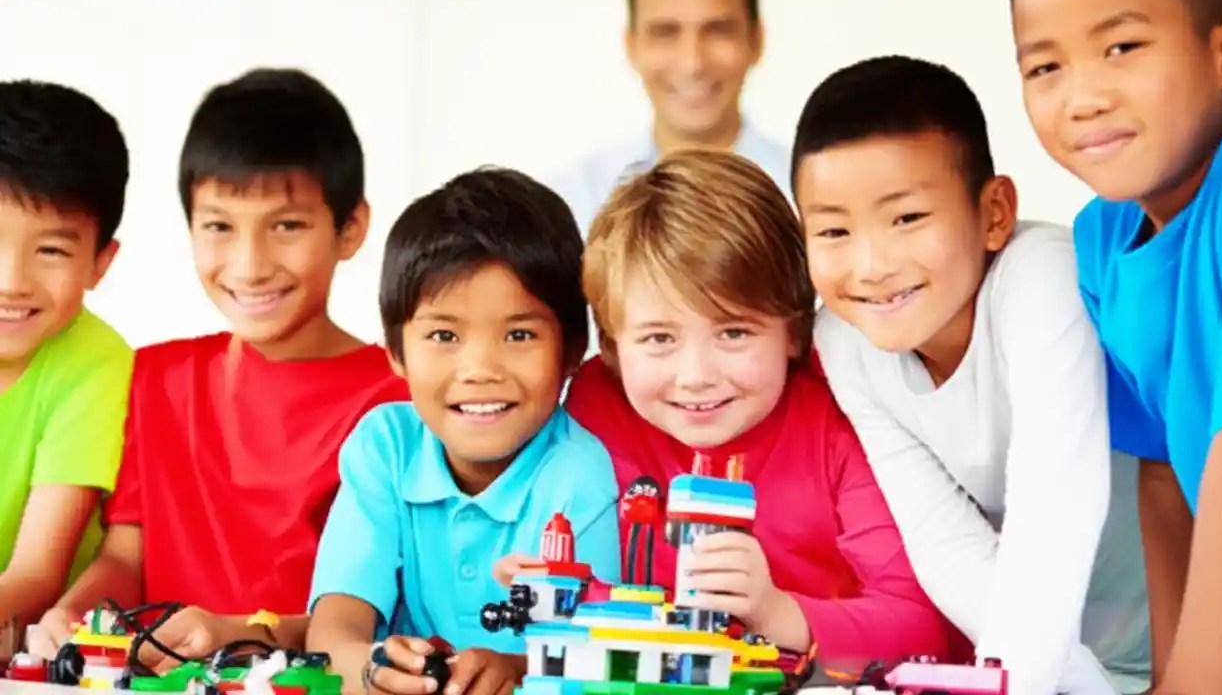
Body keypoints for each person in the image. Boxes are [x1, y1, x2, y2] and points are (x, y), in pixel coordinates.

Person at [793, 55, 1151, 694]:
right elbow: (944, 542)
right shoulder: (842, 339)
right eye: (835, 230)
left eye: (906, 218)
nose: (872, 265)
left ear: (994, 213)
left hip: (1208, 642)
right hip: (1066, 665)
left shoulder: (1041, 278)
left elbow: (1055, 498)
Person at [30, 68, 408, 668]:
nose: (250, 265)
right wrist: (75, 614)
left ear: (350, 228)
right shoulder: (155, 378)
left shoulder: (401, 403)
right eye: (219, 227)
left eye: (286, 226)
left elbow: (386, 613)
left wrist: (240, 629)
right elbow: (128, 556)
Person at [563, 150, 957, 667]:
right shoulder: (594, 409)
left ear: (793, 331)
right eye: (659, 338)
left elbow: (924, 627)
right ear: (612, 346)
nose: (696, 374)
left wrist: (775, 613)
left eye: (733, 332)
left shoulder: (842, 418)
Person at [1009, 0, 1222, 691]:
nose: (1083, 97)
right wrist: (1169, 676)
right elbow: (1162, 476)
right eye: (1045, 67)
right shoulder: (1101, 239)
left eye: (1121, 46)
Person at [306, 167, 621, 695]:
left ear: (571, 351)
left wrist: (517, 669)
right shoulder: (385, 446)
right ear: (396, 351)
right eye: (444, 334)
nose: (479, 368)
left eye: (519, 333)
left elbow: (597, 654)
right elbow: (337, 626)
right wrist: (370, 666)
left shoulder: (582, 472)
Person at [0, 80, 133, 634]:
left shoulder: (95, 364)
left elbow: (35, 577)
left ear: (101, 262)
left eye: (51, 250)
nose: (12, 282)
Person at [550, 0, 788, 234]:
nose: (692, 63)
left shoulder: (804, 198)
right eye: (665, 32)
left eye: (718, 30)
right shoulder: (574, 203)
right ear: (631, 44)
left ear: (756, 40)